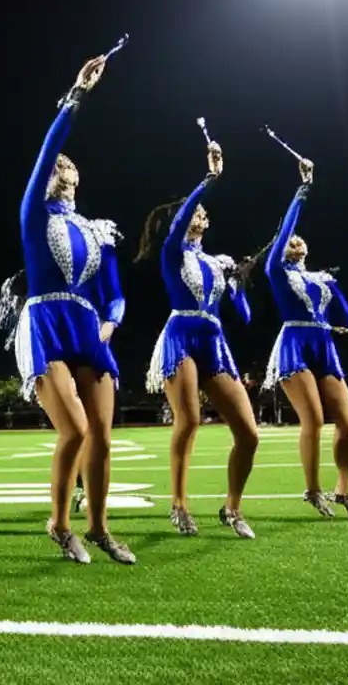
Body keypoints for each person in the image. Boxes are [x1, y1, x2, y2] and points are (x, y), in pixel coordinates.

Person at [16, 55, 134, 564]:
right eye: (55, 169)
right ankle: (61, 525)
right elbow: (48, 149)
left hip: (87, 326)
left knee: (103, 437)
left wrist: (111, 322)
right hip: (45, 321)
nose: (61, 171)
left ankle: (101, 528)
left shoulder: (96, 230)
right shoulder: (33, 213)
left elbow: (115, 291)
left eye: (68, 168)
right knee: (76, 430)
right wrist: (77, 94)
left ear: (78, 180)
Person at [136, 140, 259, 538]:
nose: (201, 215)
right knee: (188, 420)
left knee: (249, 433)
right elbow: (182, 216)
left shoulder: (216, 263)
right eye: (196, 211)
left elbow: (244, 317)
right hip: (181, 336)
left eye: (204, 212)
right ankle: (179, 504)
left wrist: (238, 284)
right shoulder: (174, 251)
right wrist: (209, 179)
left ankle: (232, 508)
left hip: (215, 341)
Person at [261, 157, 348, 521]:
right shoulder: (276, 272)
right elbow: (288, 226)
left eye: (298, 239)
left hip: (325, 347)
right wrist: (302, 190)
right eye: (289, 240)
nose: (296, 240)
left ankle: (344, 489)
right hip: (294, 346)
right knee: (314, 420)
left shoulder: (323, 279)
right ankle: (312, 489)